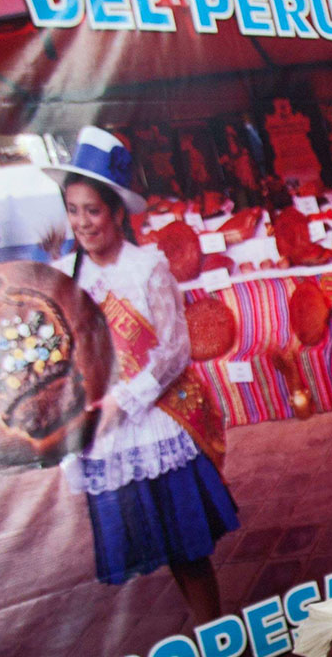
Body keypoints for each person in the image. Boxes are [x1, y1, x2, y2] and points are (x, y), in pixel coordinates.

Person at [43, 126, 237, 626]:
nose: (83, 222)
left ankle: (219, 649)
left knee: (187, 552)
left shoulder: (147, 265)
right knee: (144, 547)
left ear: (115, 213)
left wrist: (123, 403)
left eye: (93, 210)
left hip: (154, 420)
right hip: (105, 437)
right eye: (73, 210)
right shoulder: (64, 274)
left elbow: (175, 351)